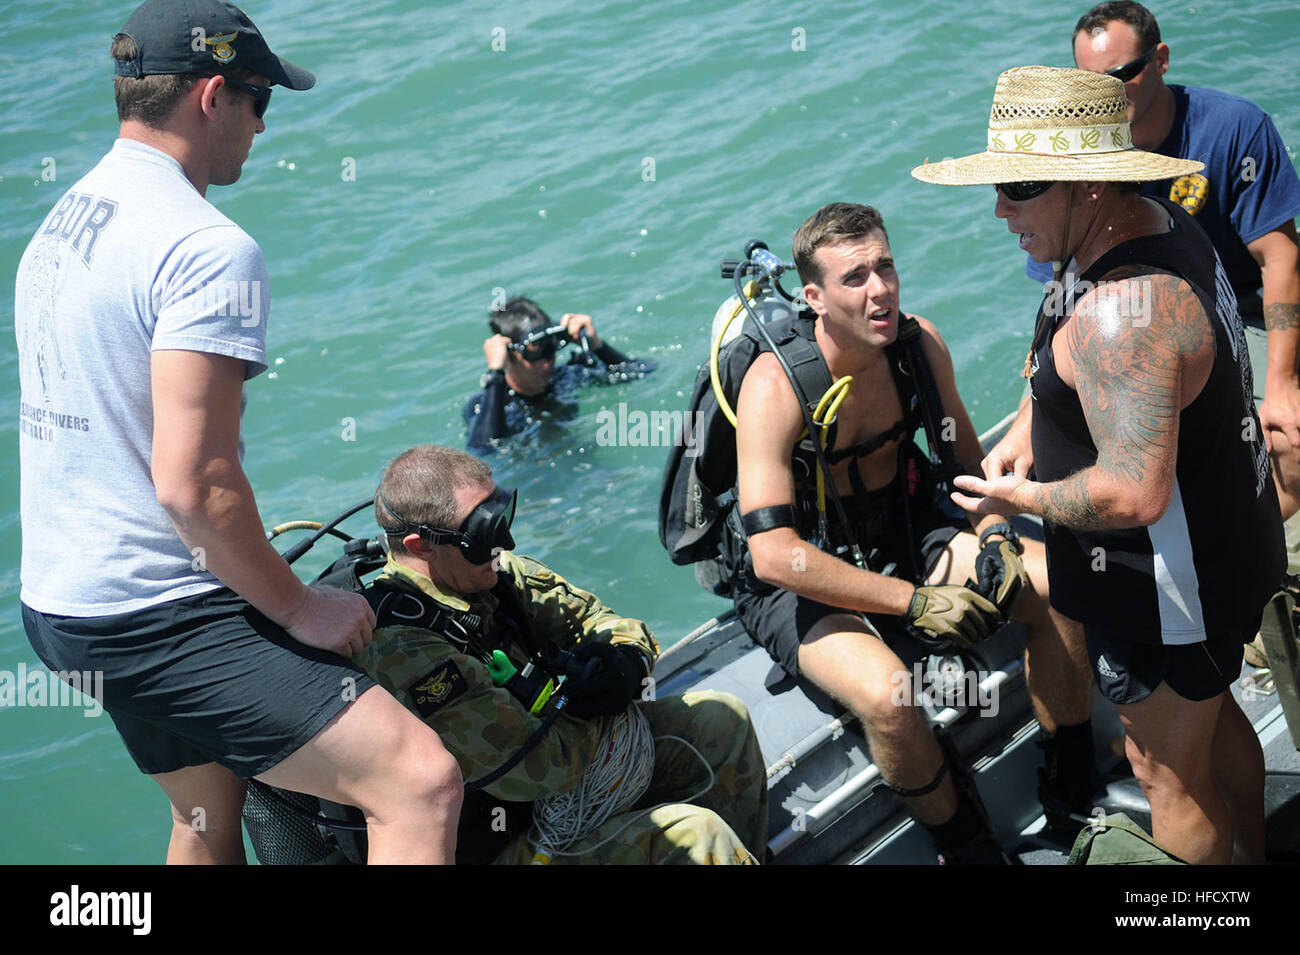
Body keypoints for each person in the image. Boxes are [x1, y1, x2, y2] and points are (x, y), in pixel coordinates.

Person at [15, 0, 461, 864]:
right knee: (418, 781)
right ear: (215, 95)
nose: (262, 126)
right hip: (152, 613)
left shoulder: (66, 219)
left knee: (203, 814)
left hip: (64, 608)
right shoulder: (204, 245)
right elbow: (195, 484)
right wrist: (300, 608)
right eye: (262, 101)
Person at [912, 65, 1284, 864]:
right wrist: (1026, 429)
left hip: (1169, 590)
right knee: (1214, 725)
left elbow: (1133, 491)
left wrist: (1023, 494)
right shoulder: (1148, 223)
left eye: (1018, 185)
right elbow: (1072, 374)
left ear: (1083, 186)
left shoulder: (1121, 314)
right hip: (1226, 538)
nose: (998, 207)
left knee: (1166, 775)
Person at [729, 202, 1098, 863]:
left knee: (1059, 586)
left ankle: (1074, 798)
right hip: (802, 570)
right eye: (855, 278)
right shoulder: (774, 387)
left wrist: (992, 538)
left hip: (903, 524)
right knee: (887, 695)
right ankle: (969, 849)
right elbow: (774, 554)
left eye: (886, 267)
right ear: (814, 297)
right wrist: (914, 602)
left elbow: (962, 464)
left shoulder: (918, 345)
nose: (880, 290)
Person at [357, 444, 768, 864]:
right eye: (483, 532)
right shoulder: (406, 651)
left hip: (570, 788)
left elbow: (601, 620)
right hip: (508, 837)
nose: (505, 543)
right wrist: (591, 706)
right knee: (698, 837)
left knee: (720, 720)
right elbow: (541, 768)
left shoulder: (489, 572)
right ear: (422, 547)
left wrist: (623, 661)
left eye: (501, 516)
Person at [1032, 2, 1300, 520]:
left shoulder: (1234, 129)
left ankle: (1267, 556)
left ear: (1161, 59)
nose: (1109, 94)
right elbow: (1060, 294)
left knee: (1282, 438)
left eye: (1122, 75)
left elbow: (1281, 261)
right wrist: (1032, 418)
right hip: (1134, 321)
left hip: (1240, 312)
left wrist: (1282, 387)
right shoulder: (1083, 162)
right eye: (1092, 84)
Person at [465, 296, 655, 450]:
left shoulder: (567, 377)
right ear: (508, 355)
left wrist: (597, 346)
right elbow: (485, 447)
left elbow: (643, 373)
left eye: (550, 351)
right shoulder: (488, 405)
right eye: (534, 354)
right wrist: (495, 373)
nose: (546, 364)